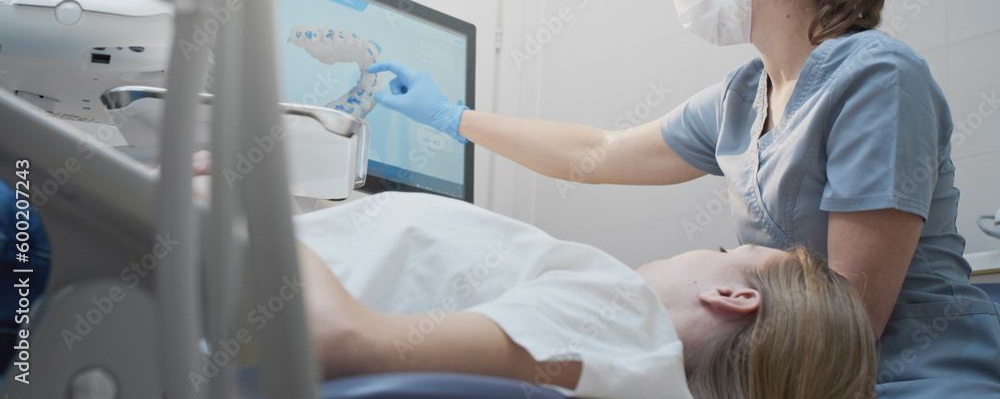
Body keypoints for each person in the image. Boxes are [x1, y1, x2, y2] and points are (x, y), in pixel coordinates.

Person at [366, 0, 1000, 397]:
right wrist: (453, 116)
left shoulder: (877, 77)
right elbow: (598, 151)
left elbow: (851, 326)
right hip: (795, 379)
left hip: (912, 377)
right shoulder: (741, 98)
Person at [292, 190, 876, 398]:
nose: (701, 252)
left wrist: (246, 212)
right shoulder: (636, 366)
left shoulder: (624, 320)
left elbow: (343, 343)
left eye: (727, 253)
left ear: (730, 294)